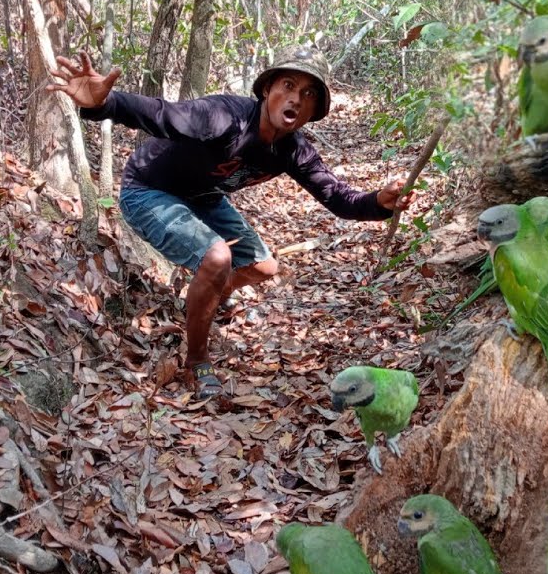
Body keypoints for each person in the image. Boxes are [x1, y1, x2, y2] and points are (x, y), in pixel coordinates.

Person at [47, 48, 413, 400]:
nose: (296, 99)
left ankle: (204, 297)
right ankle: (196, 362)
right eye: (287, 85)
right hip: (147, 190)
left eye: (309, 93)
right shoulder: (224, 117)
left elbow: (337, 198)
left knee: (265, 267)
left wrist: (380, 201)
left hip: (203, 197)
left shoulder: (293, 150)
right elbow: (163, 114)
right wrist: (105, 103)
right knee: (217, 258)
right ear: (267, 89)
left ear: (315, 108)